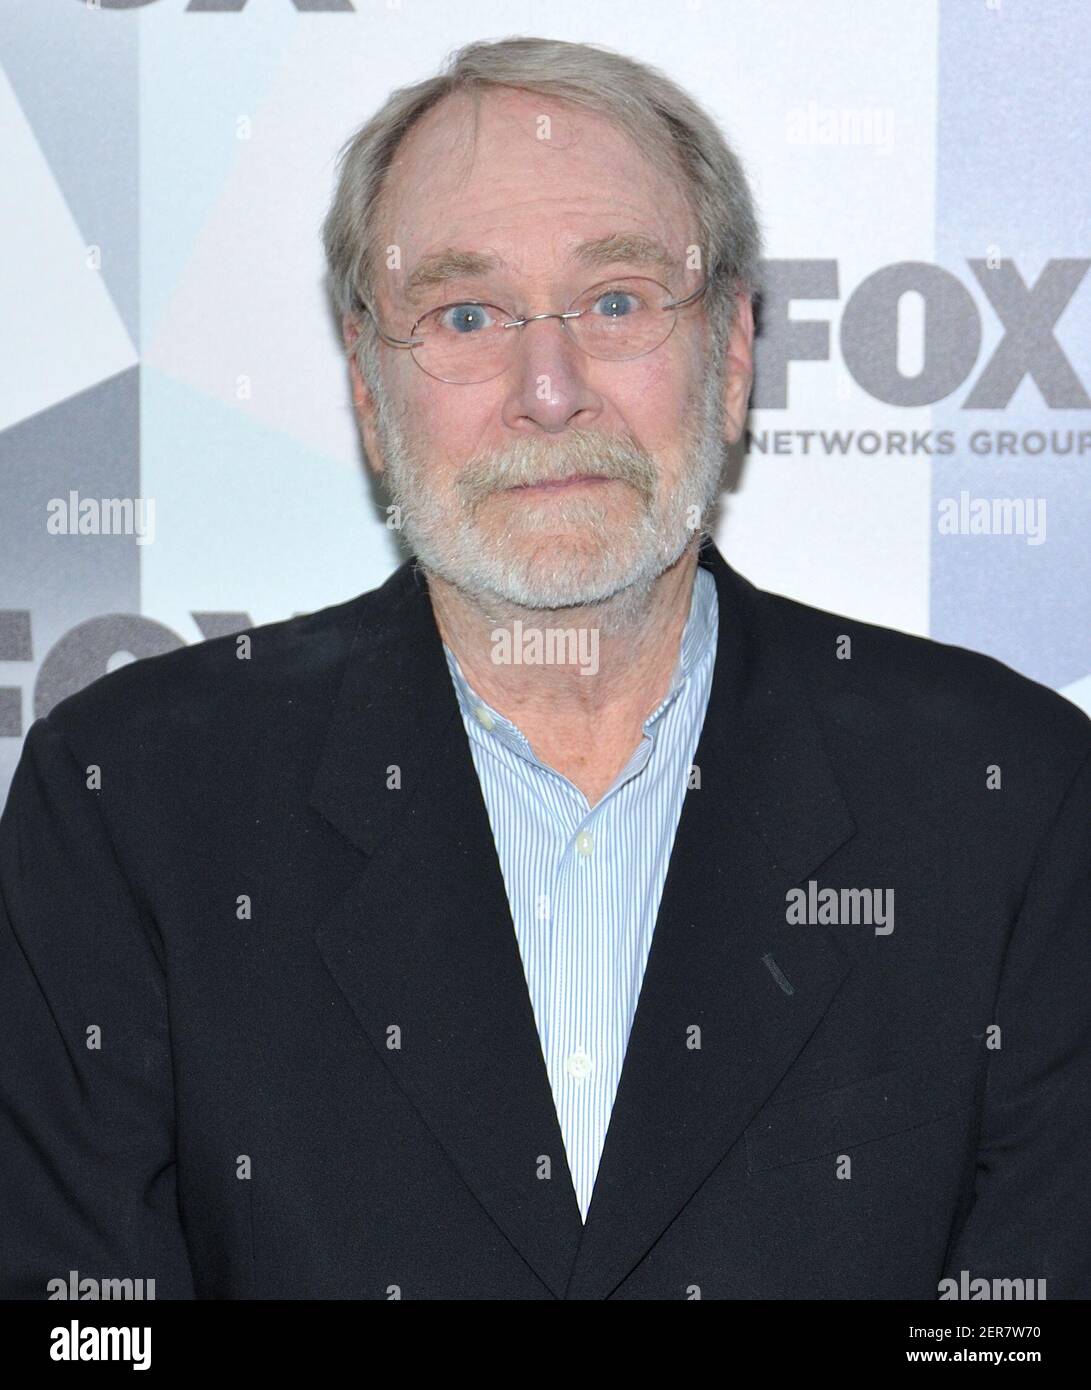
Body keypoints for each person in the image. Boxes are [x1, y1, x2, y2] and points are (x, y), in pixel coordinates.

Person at [1, 36, 1088, 1301]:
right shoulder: (128, 801)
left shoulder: (1006, 796)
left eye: (617, 300)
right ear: (367, 389)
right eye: (466, 315)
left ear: (732, 356)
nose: (548, 387)